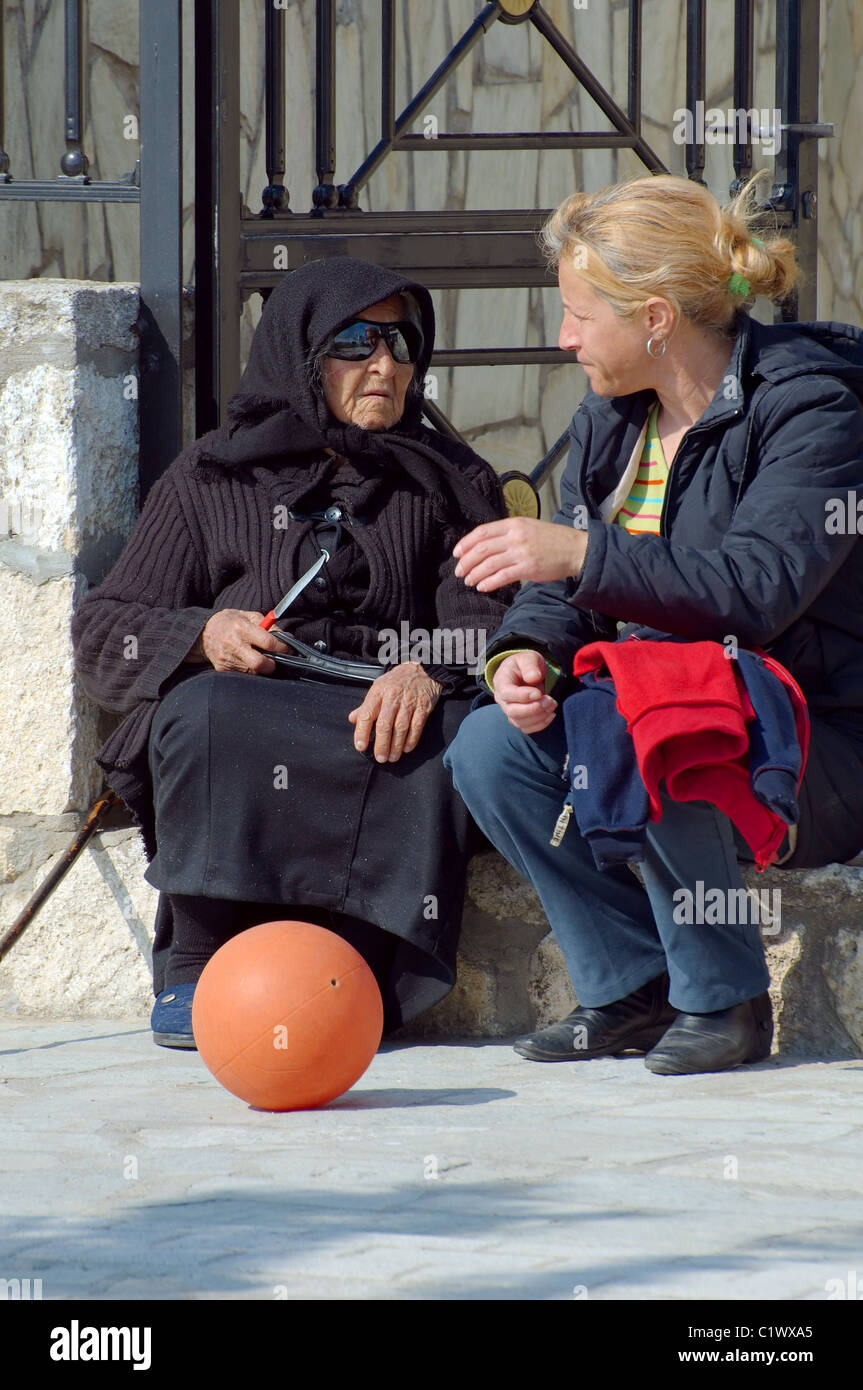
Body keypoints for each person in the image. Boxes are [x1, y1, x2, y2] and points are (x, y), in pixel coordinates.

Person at [444, 174, 863, 1075]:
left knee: (664, 709)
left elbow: (757, 587)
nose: (563, 339)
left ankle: (724, 1000)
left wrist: (577, 555)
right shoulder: (611, 420)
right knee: (488, 749)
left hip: (814, 744)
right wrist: (527, 656)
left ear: (655, 317)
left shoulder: (812, 409)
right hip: (653, 715)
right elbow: (564, 594)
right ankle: (630, 986)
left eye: (577, 314)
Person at [72, 256, 514, 1047]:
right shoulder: (211, 475)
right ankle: (198, 970)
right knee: (205, 711)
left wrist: (428, 671)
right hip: (258, 704)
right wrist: (201, 635)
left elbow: (489, 620)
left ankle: (360, 971)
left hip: (385, 704)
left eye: (402, 344)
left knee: (436, 737)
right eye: (355, 341)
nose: (384, 364)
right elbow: (106, 628)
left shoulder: (449, 482)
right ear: (301, 354)